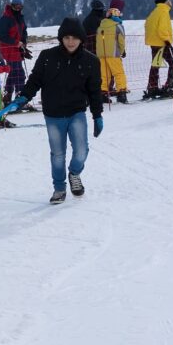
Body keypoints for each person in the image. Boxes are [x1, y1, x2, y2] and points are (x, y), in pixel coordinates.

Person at [14, 17, 106, 204]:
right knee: (58, 154)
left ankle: (74, 173)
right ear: (61, 38)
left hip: (76, 112)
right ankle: (59, 188)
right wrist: (25, 96)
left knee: (81, 151)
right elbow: (35, 80)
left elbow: (94, 91)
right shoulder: (48, 57)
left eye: (74, 38)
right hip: (53, 114)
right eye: (66, 37)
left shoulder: (91, 61)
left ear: (81, 39)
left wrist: (97, 115)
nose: (70, 41)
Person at [0, 0, 31, 105]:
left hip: (17, 49)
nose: (18, 9)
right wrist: (16, 42)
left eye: (21, 7)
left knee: (13, 72)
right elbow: (1, 36)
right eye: (16, 6)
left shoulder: (20, 17)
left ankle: (7, 96)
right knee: (19, 73)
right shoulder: (6, 18)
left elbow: (24, 31)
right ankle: (19, 98)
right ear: (12, 5)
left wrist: (23, 43)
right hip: (8, 49)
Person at [140, 0, 173, 98]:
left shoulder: (154, 12)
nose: (170, 2)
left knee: (155, 65)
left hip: (154, 43)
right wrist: (167, 41)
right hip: (162, 43)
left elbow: (147, 25)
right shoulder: (164, 12)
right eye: (169, 0)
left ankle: (152, 87)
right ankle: (170, 86)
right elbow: (162, 29)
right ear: (165, 2)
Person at [96, 0, 129, 103]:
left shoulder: (101, 25)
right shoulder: (118, 26)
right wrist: (122, 51)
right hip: (114, 54)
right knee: (119, 73)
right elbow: (121, 42)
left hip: (101, 54)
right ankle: (122, 93)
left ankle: (103, 94)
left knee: (104, 74)